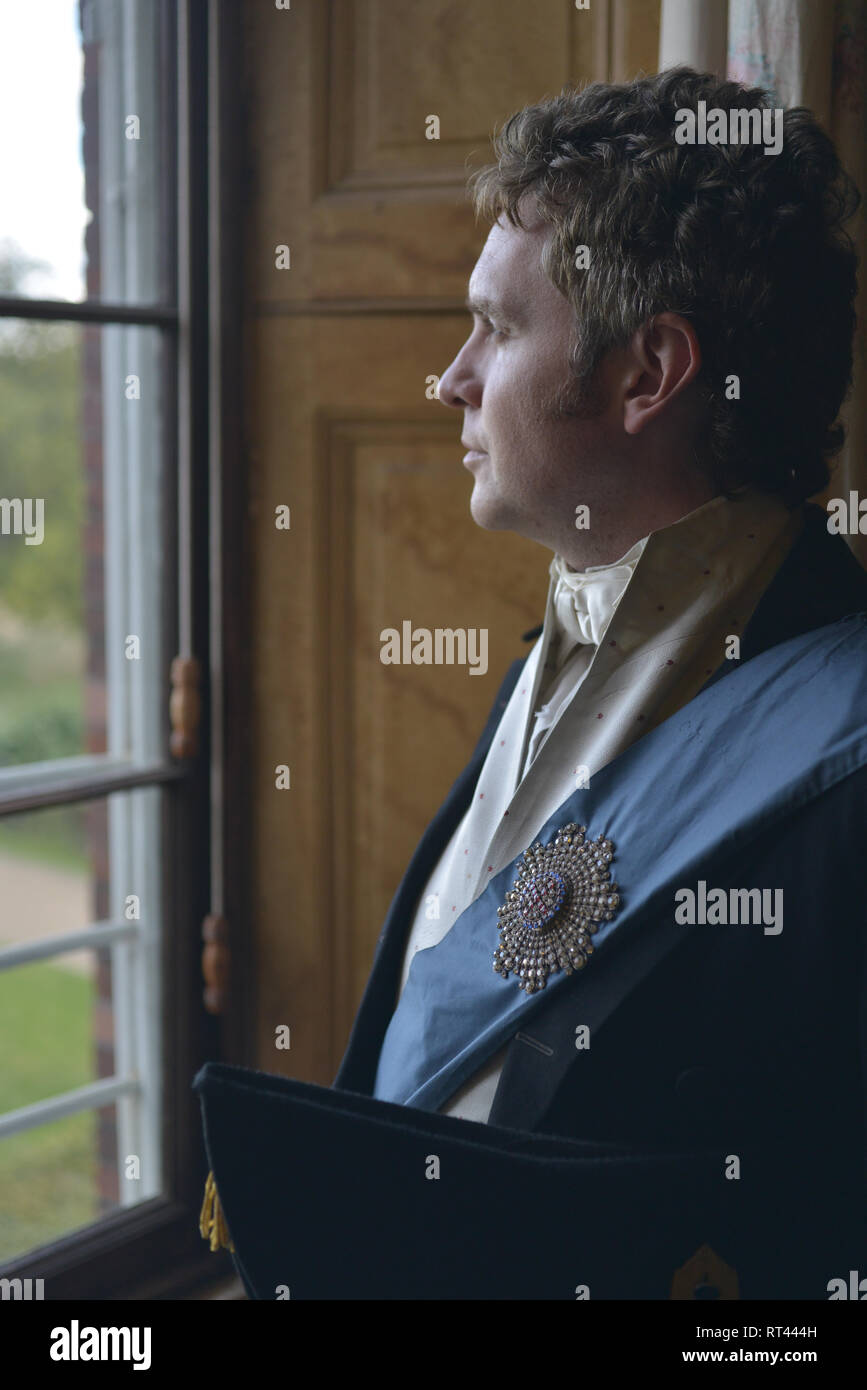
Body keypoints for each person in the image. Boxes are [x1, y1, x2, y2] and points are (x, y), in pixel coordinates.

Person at [198, 66, 867, 1300]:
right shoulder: (579, 614)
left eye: (498, 328)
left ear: (648, 372)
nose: (449, 379)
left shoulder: (845, 746)